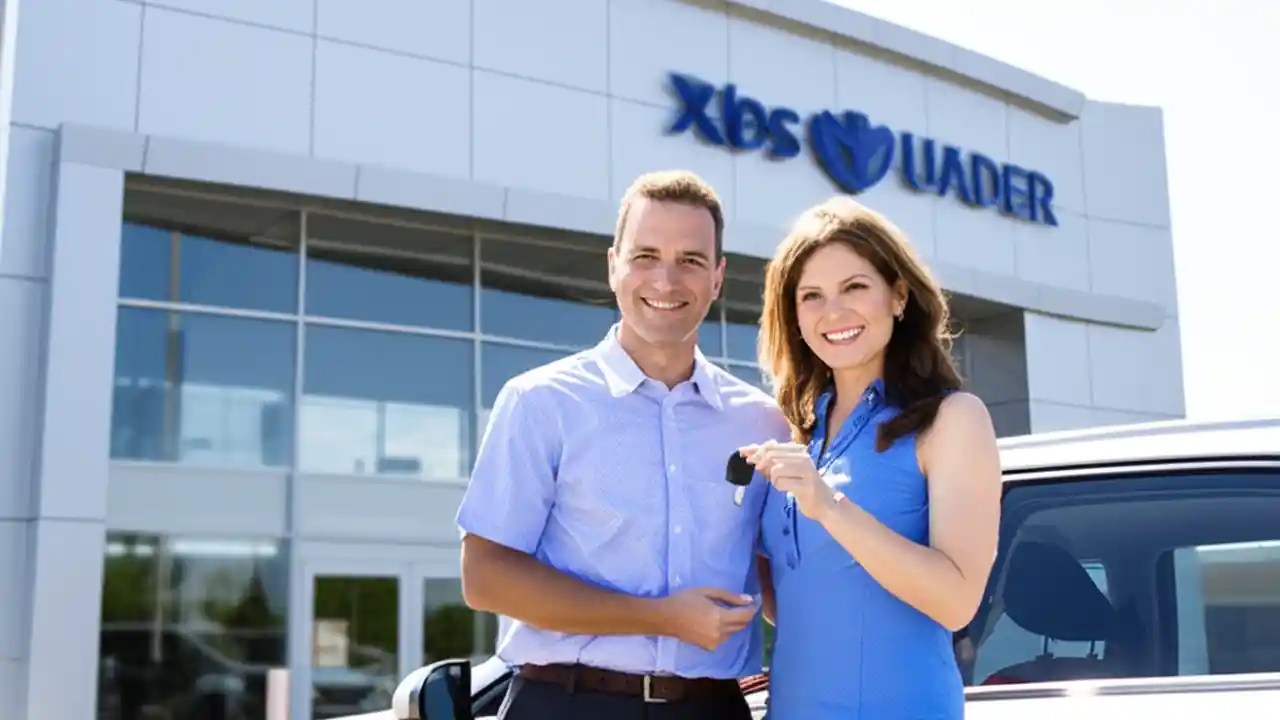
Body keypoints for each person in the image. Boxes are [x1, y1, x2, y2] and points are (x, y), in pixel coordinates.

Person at [456, 170, 791, 719]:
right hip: (565, 704)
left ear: (718, 278)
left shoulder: (761, 422)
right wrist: (660, 616)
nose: (665, 280)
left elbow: (782, 584)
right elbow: (486, 576)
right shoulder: (541, 402)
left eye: (690, 260)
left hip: (714, 709)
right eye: (645, 255)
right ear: (613, 264)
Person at [740, 196, 1002, 718]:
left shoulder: (952, 420)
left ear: (899, 296)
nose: (833, 312)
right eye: (811, 295)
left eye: (854, 287)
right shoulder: (797, 432)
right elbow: (803, 599)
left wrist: (829, 506)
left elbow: (956, 602)